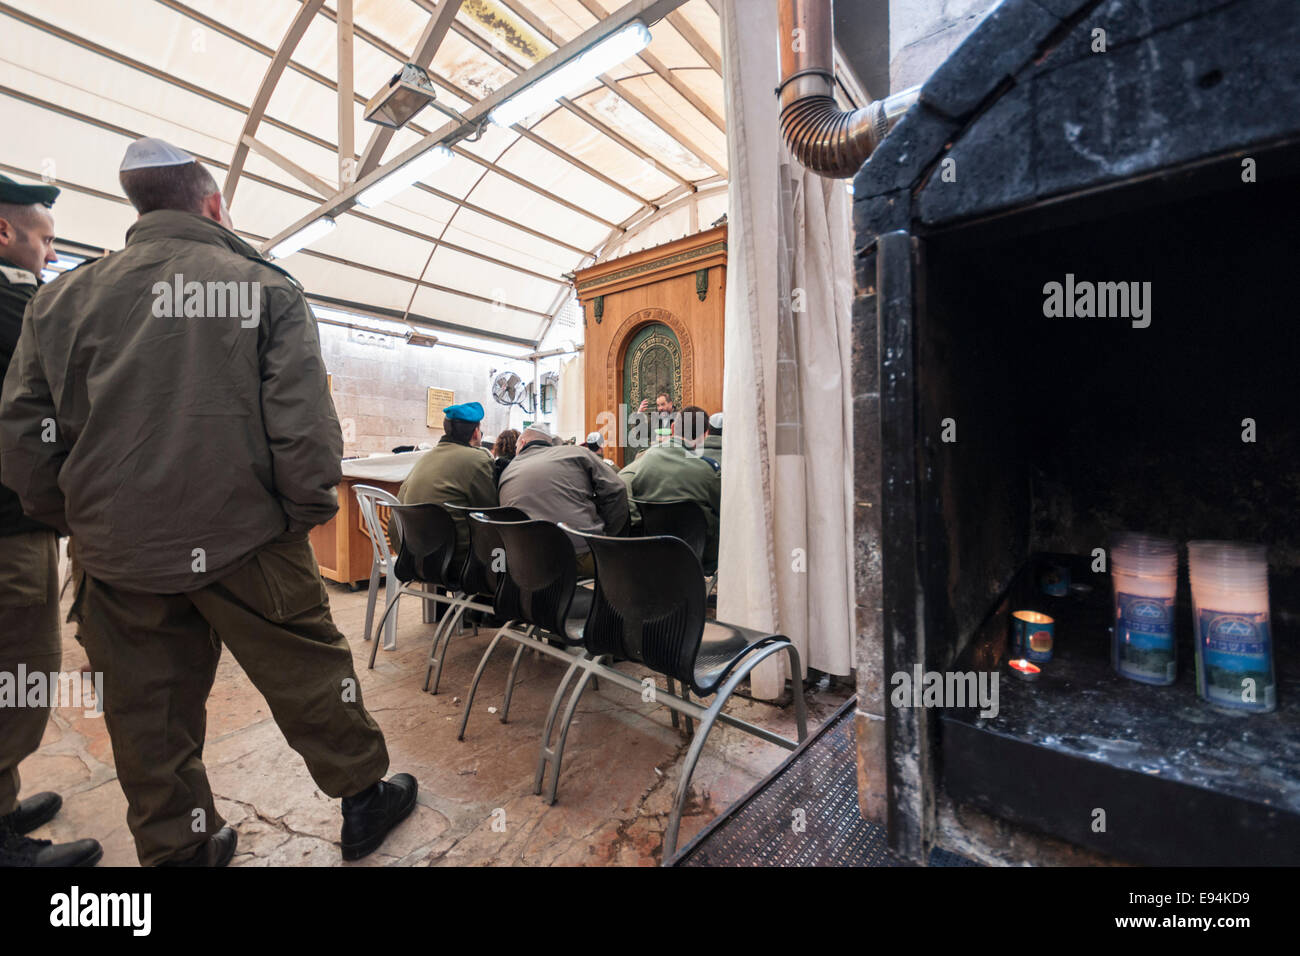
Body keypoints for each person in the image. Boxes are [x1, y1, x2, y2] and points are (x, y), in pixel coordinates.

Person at [0, 138, 415, 867]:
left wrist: (76, 519)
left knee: (144, 712)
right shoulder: (264, 287)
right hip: (248, 536)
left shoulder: (59, 300)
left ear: (138, 205)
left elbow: (25, 438)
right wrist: (298, 514)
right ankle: (361, 802)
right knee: (311, 675)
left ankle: (183, 847)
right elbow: (305, 430)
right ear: (214, 204)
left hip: (115, 553)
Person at [0, 174, 102, 868]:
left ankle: (2, 801)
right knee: (21, 672)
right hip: (10, 527)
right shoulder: (17, 311)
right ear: (4, 232)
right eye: (45, 238)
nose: (52, 252)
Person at [498, 424, 628, 578]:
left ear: (523, 443)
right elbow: (617, 489)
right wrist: (609, 536)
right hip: (580, 556)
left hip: (527, 564)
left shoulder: (507, 472)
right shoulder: (576, 452)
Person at [619, 406, 721, 573]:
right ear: (706, 434)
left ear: (672, 427)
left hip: (655, 552)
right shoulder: (708, 471)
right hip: (701, 558)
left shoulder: (644, 463)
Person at [398, 401, 498, 569]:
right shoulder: (479, 459)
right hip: (455, 560)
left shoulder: (426, 457)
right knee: (508, 554)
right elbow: (489, 512)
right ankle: (490, 594)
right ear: (475, 433)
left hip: (413, 555)